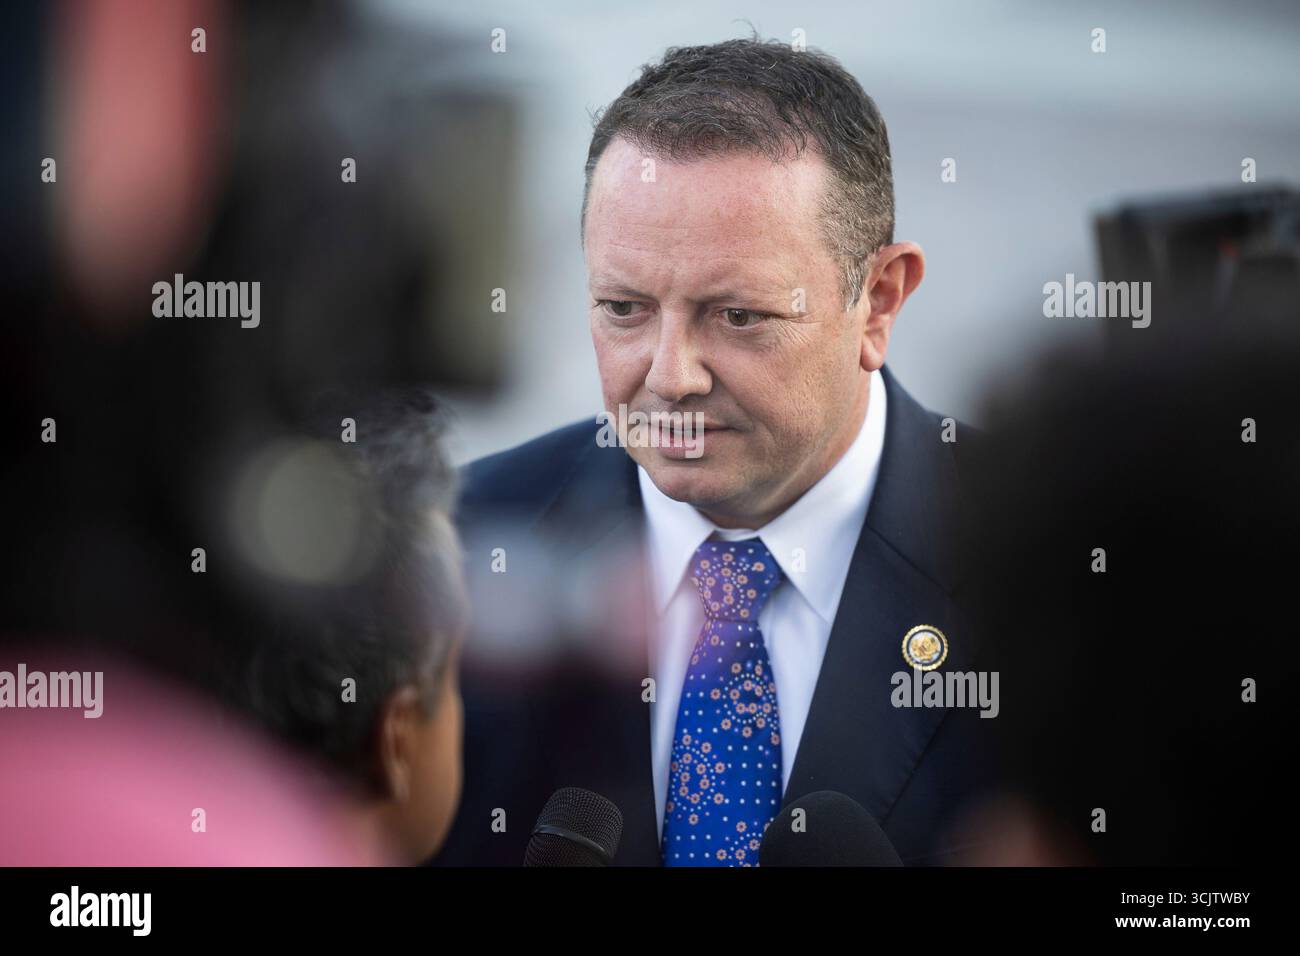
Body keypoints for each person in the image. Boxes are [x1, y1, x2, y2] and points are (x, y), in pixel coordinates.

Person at [437, 38, 995, 866]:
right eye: (624, 308)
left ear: (878, 302)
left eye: (737, 316)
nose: (669, 378)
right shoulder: (460, 545)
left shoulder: (1048, 557)